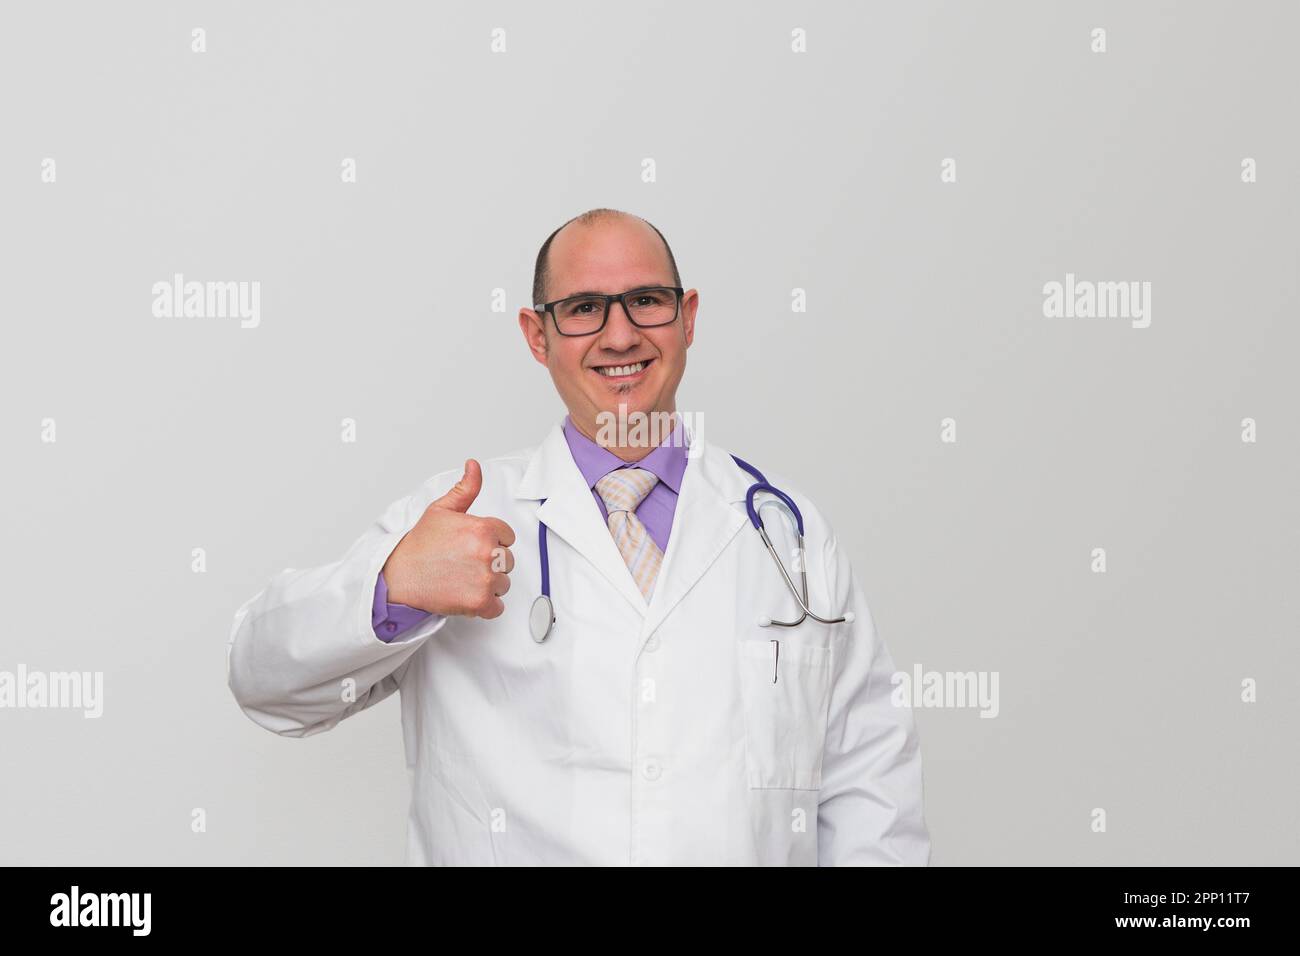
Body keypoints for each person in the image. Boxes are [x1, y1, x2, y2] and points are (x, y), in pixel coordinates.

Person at [227, 208, 931, 866]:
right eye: (584, 309)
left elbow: (870, 783)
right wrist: (393, 589)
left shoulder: (787, 531)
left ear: (687, 319)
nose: (620, 335)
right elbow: (264, 680)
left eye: (646, 301)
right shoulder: (456, 518)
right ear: (538, 336)